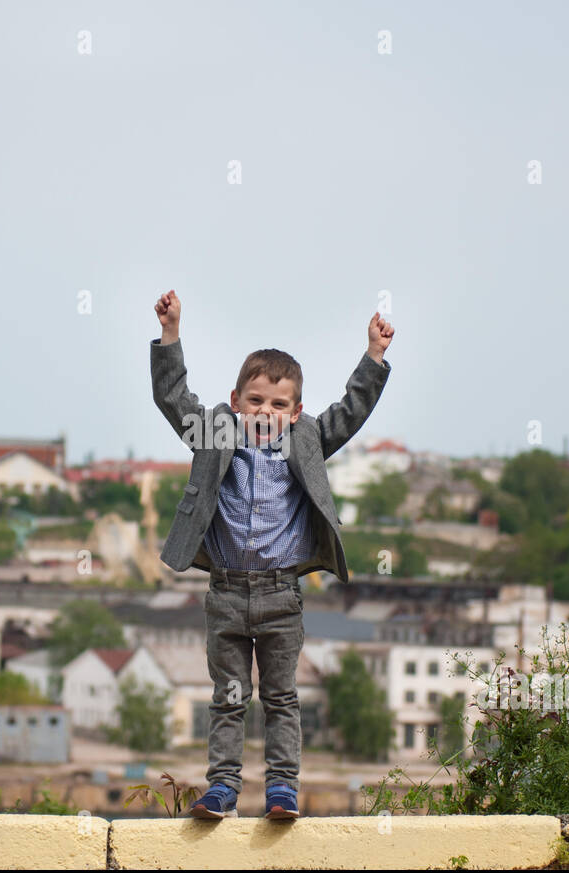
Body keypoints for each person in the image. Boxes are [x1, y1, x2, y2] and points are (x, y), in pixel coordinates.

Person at [149, 289, 393, 820]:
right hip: (227, 593)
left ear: (296, 411)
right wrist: (171, 335)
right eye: (256, 401)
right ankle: (223, 790)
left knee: (282, 699)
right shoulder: (215, 434)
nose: (266, 412)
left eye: (279, 405)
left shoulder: (306, 440)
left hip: (283, 595)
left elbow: (349, 413)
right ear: (236, 401)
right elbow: (173, 398)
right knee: (230, 699)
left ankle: (282, 789)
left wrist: (373, 357)